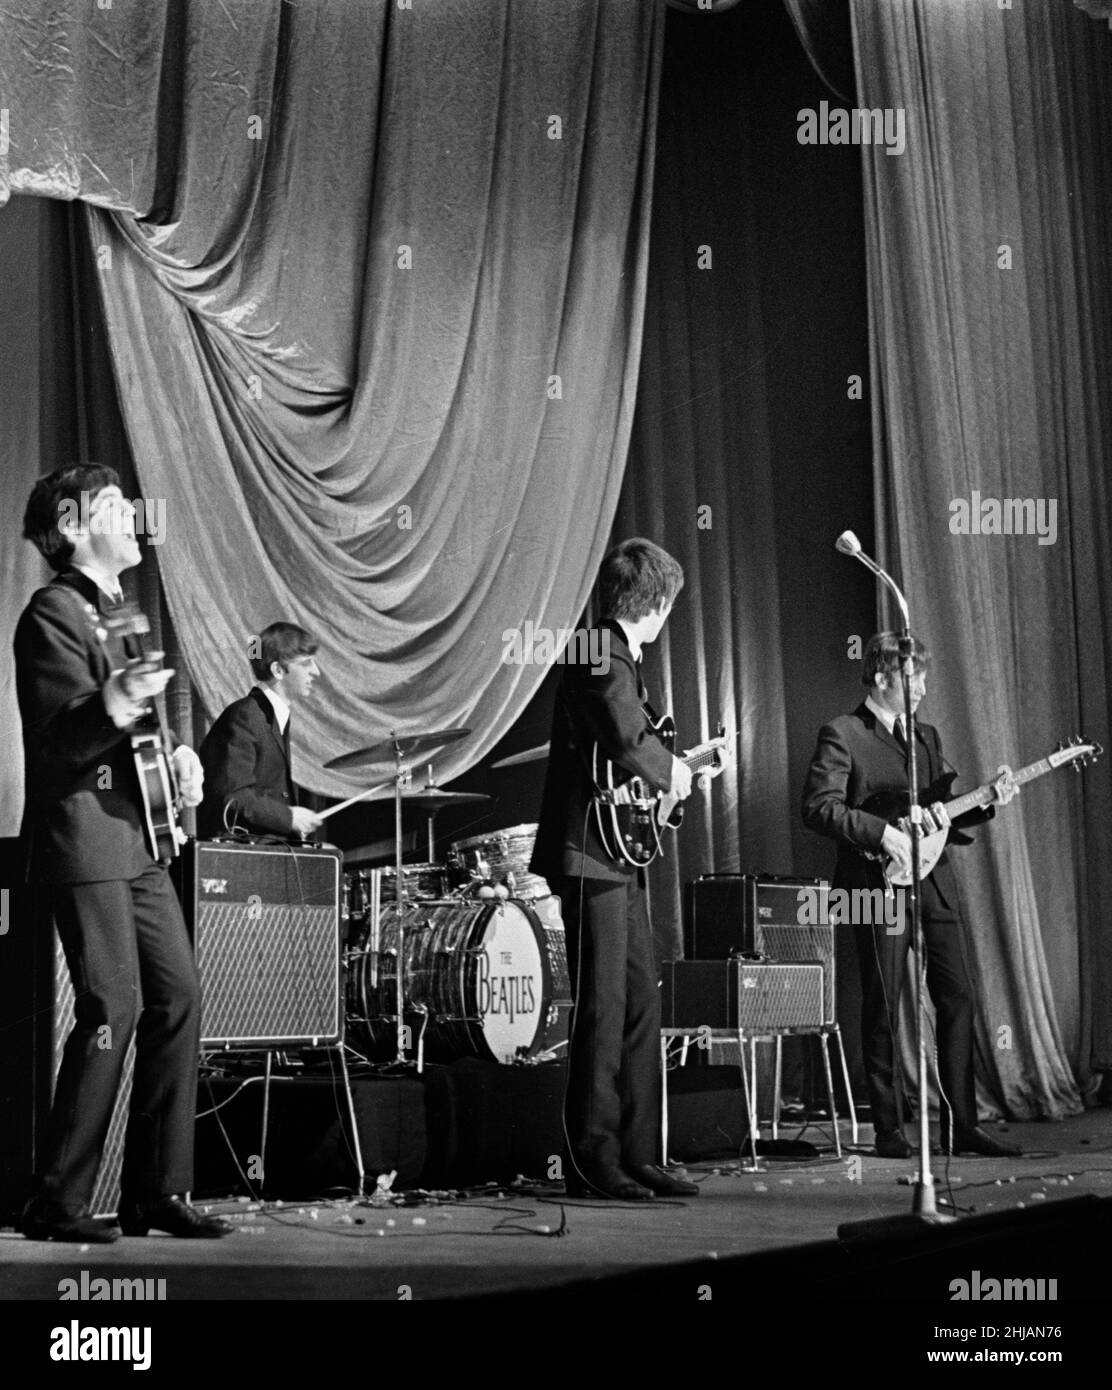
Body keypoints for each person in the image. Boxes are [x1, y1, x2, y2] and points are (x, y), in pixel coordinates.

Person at [15, 463, 230, 1240]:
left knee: (177, 998)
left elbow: (139, 731)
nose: (134, 513)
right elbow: (62, 733)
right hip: (85, 839)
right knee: (113, 1008)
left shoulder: (120, 612)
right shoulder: (51, 612)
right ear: (72, 528)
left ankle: (156, 1191)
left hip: (139, 838)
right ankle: (57, 1198)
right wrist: (114, 701)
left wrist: (177, 760)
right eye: (114, 505)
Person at [802, 631, 1021, 1158]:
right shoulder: (843, 732)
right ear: (881, 677)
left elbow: (949, 806)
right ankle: (887, 1130)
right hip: (875, 886)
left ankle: (961, 1125)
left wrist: (990, 798)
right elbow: (818, 808)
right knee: (883, 1003)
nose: (922, 685)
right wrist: (884, 833)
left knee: (958, 995)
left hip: (935, 880)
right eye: (911, 675)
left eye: (922, 674)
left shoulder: (927, 736)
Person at [531, 538, 698, 1200]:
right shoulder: (598, 649)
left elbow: (621, 742)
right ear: (655, 603)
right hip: (587, 854)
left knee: (638, 1003)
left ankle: (639, 1150)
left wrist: (667, 767)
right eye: (668, 607)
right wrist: (670, 770)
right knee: (602, 1010)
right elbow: (625, 734)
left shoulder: (613, 653)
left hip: (613, 853)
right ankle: (593, 1156)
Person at [198, 622, 323, 841]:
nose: (316, 671)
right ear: (277, 670)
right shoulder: (245, 716)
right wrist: (287, 817)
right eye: (306, 663)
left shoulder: (272, 716)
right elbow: (233, 796)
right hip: (240, 854)